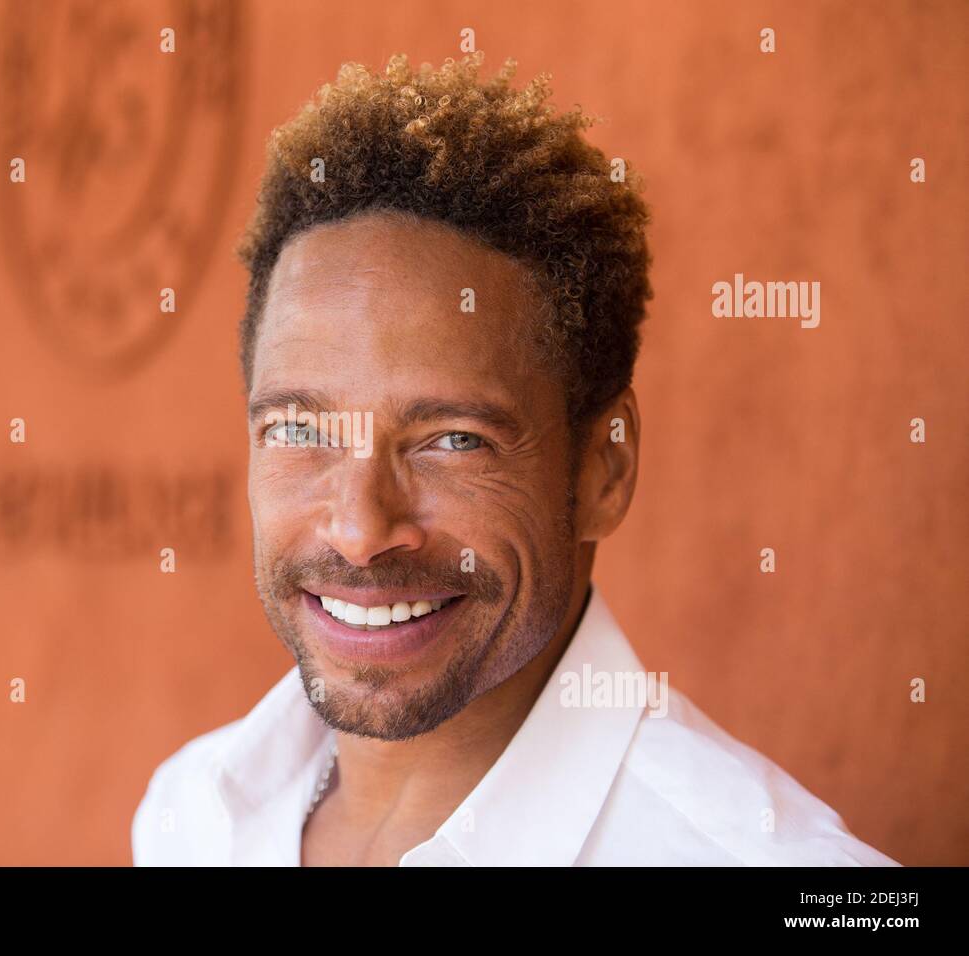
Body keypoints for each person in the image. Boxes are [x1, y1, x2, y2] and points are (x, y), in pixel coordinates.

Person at [131, 53, 897, 867]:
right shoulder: (193, 813)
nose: (360, 531)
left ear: (606, 469)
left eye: (453, 441)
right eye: (297, 430)